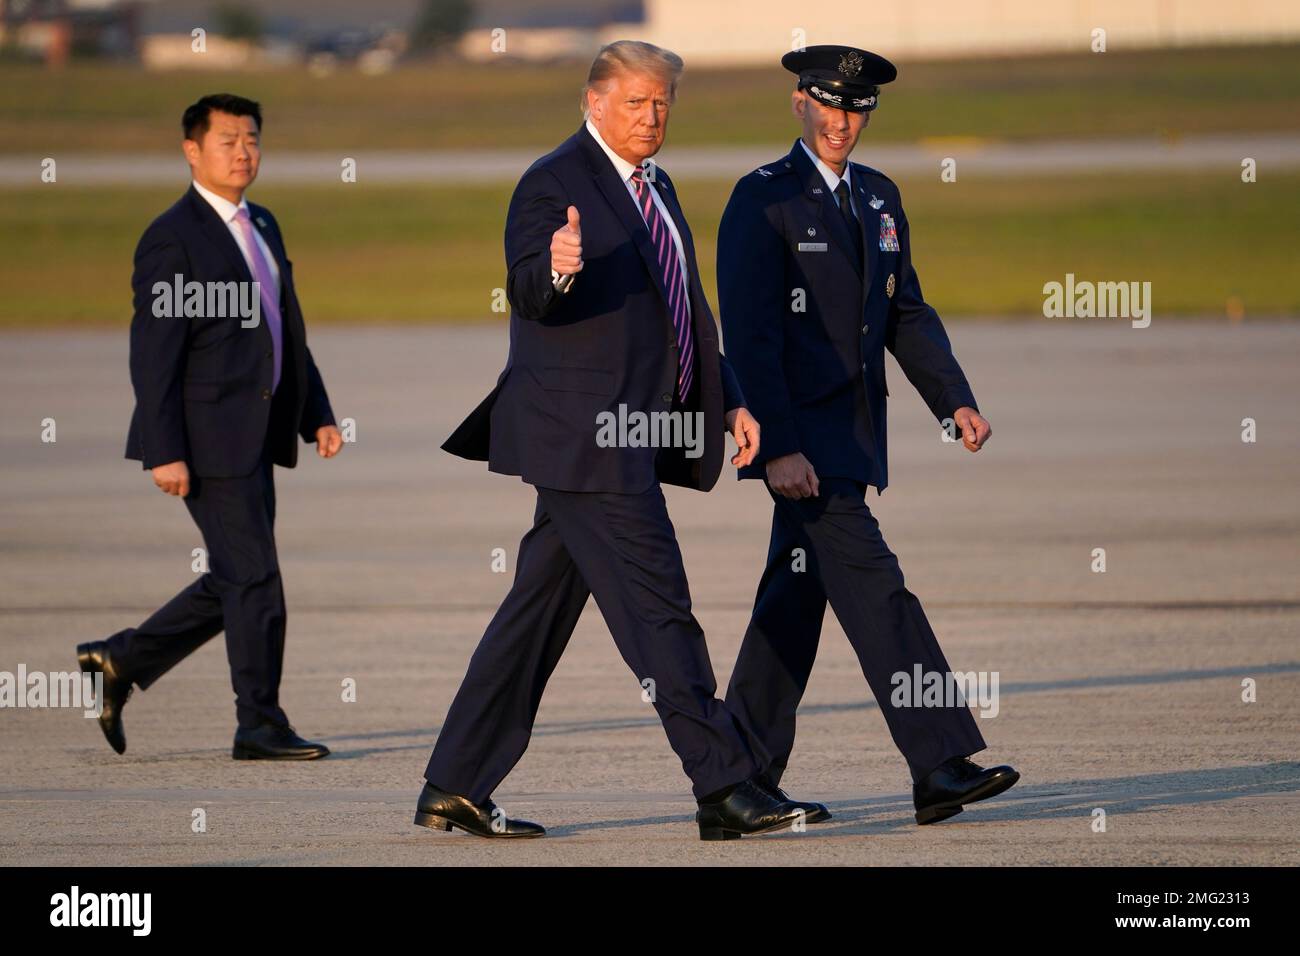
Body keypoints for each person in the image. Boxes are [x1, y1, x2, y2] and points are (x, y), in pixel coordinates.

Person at [415, 40, 825, 841]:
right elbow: (531, 290)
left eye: (663, 102)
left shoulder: (657, 186)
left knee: (531, 617)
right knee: (661, 611)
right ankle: (726, 786)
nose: (652, 116)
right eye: (635, 102)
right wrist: (558, 268)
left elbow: (686, 312)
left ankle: (454, 783)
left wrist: (731, 399)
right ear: (593, 101)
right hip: (587, 440)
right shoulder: (552, 182)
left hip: (621, 436)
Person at [717, 46, 1019, 825]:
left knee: (792, 602)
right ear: (798, 103)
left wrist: (953, 399)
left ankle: (733, 780)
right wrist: (778, 444)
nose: (842, 120)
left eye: (857, 108)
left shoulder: (880, 200)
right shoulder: (762, 200)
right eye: (828, 104)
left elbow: (904, 313)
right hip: (804, 448)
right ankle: (940, 761)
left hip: (854, 438)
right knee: (880, 591)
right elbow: (748, 337)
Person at [77, 93, 343, 761]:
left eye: (251, 139)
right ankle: (258, 724)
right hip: (204, 438)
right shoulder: (174, 236)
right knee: (255, 577)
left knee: (235, 574)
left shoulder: (264, 224)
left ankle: (121, 660)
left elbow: (284, 329)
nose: (244, 152)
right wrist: (165, 450)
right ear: (192, 150)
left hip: (256, 433)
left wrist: (317, 412)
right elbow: (154, 353)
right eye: (228, 141)